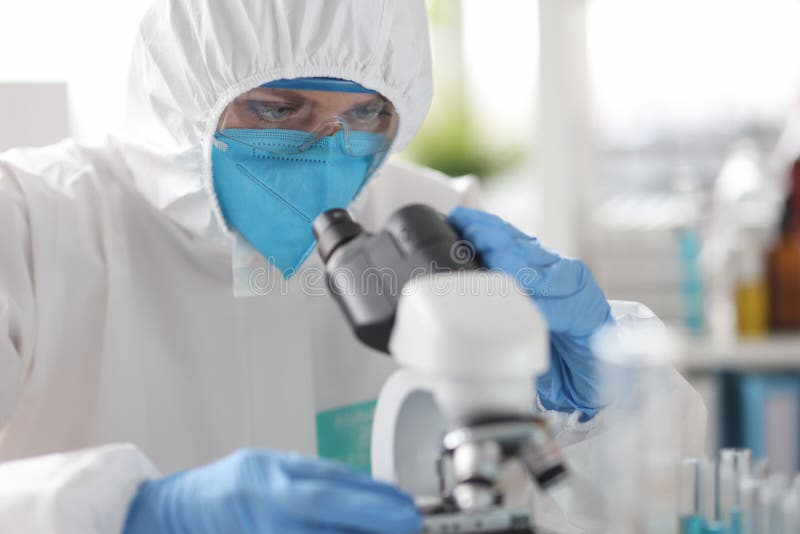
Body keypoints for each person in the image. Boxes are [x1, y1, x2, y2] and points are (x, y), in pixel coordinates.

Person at [0, 0, 706, 532]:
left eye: (367, 114)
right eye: (279, 108)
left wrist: (607, 404)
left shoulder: (432, 219)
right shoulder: (33, 226)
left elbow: (633, 502)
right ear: (183, 95)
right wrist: (127, 512)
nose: (328, 152)